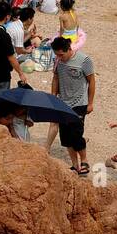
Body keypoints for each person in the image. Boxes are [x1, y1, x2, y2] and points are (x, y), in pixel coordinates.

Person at [49, 35, 94, 176]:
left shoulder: (84, 60)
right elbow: (55, 78)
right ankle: (75, 165)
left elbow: (91, 81)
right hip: (63, 103)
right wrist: (53, 98)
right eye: (57, 55)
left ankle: (84, 161)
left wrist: (91, 103)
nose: (59, 57)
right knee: (66, 137)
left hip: (79, 103)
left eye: (61, 54)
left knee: (76, 135)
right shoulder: (57, 60)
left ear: (69, 49)